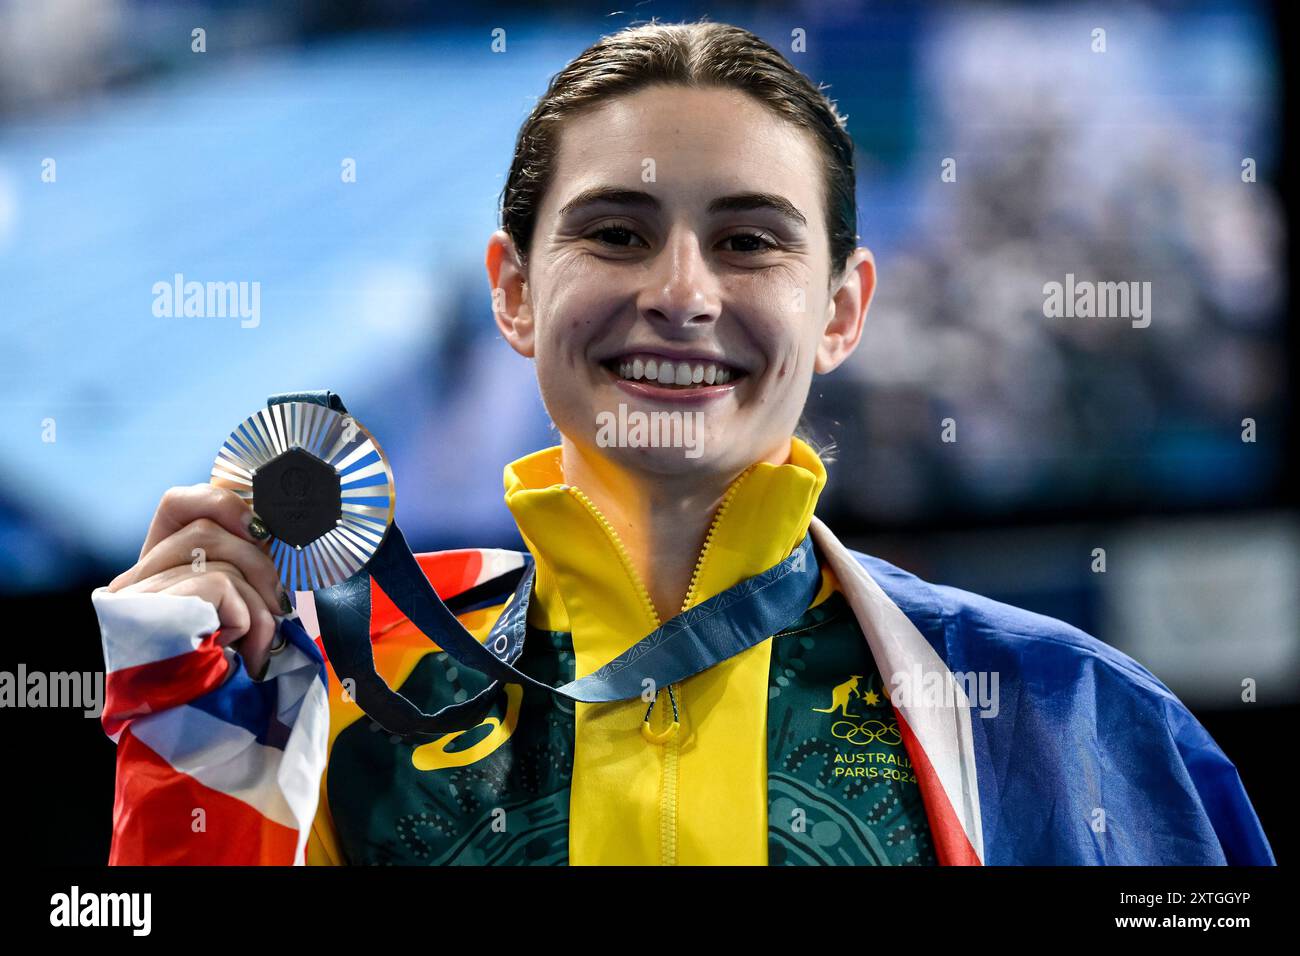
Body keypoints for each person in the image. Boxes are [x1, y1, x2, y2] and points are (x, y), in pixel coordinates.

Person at [91, 19, 1274, 866]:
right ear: (512, 291)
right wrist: (189, 723)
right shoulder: (338, 700)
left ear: (842, 310)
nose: (681, 292)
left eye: (750, 240)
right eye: (615, 232)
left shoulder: (1072, 716)